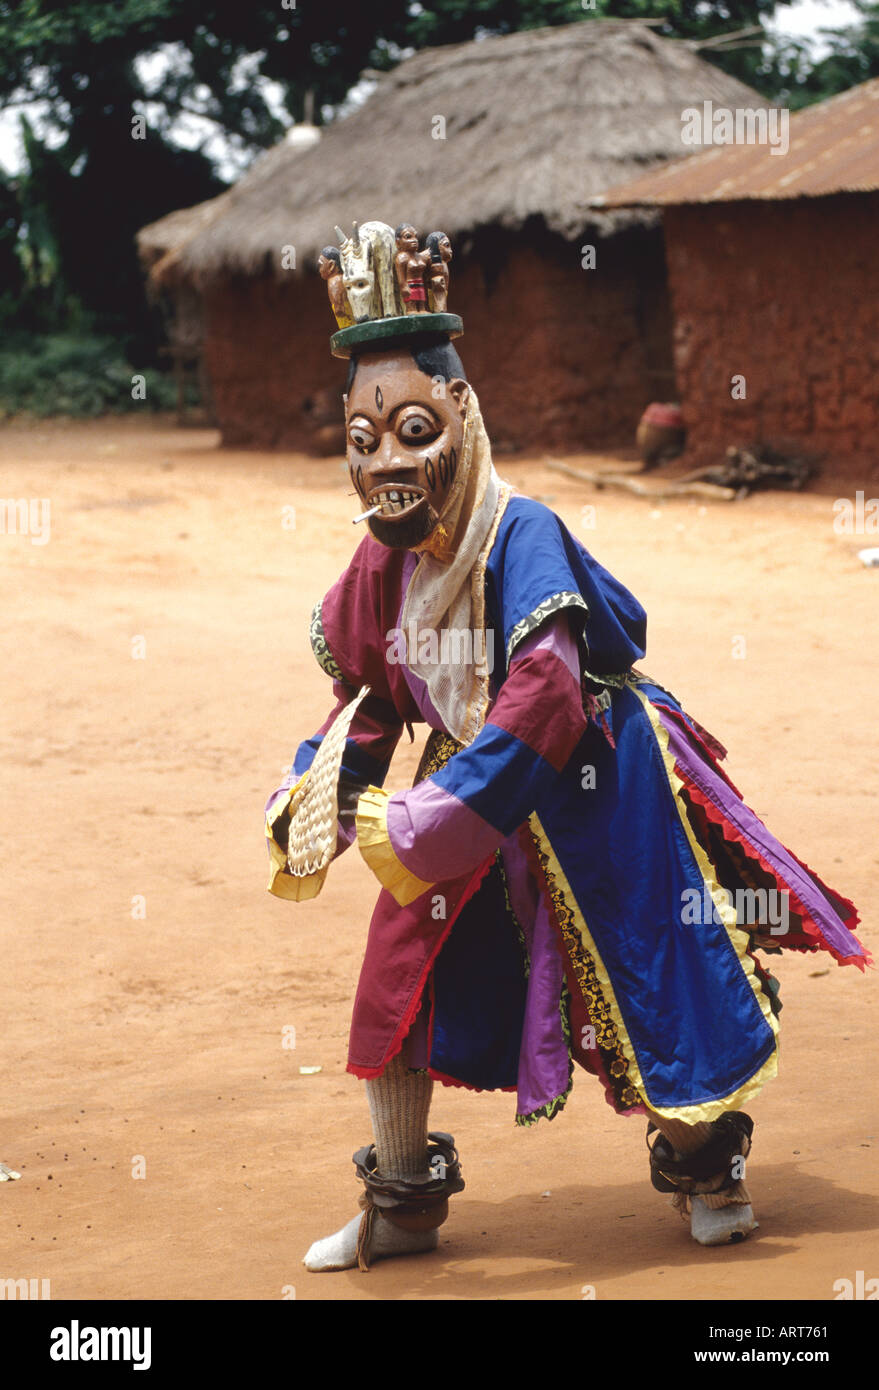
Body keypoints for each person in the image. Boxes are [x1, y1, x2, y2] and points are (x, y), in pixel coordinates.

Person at [266, 228, 868, 1273]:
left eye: (410, 429)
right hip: (466, 778)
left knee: (650, 968)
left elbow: (545, 692)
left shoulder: (520, 531)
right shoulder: (383, 562)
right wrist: (322, 790)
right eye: (363, 441)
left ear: (463, 417)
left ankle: (706, 1165)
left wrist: (431, 817)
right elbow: (370, 691)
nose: (386, 462)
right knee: (399, 964)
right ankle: (402, 1203)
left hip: (595, 780)